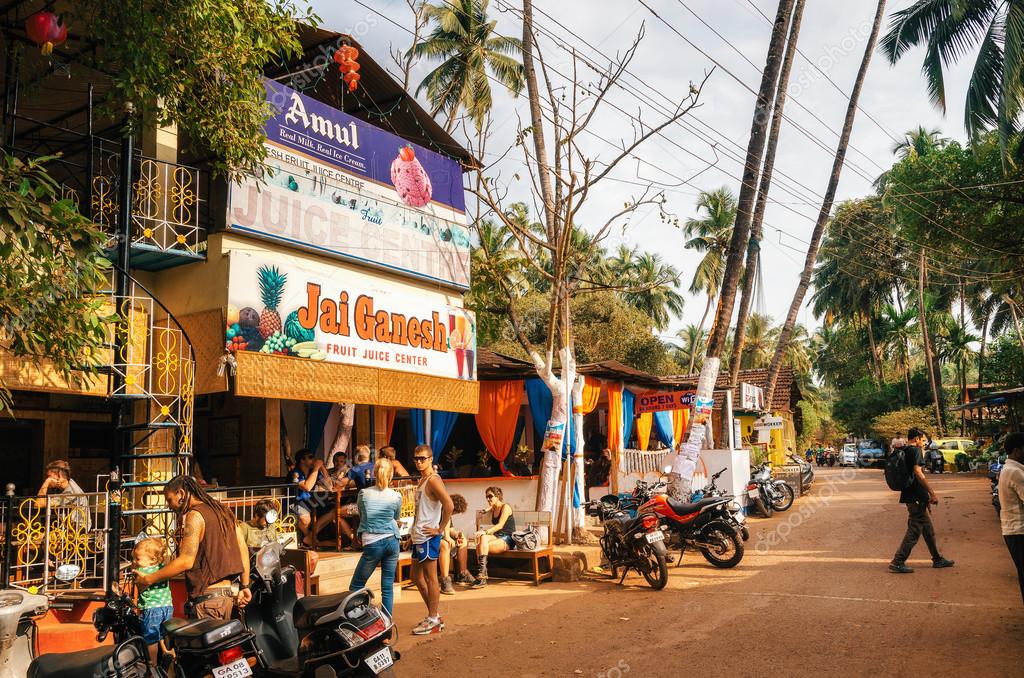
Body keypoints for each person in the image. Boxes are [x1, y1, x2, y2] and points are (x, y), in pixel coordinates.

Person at [135, 475, 251, 620]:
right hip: (225, 598)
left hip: (207, 602)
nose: (169, 506)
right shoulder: (223, 511)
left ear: (181, 494)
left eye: (170, 500)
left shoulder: (194, 516)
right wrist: (245, 586)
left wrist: (148, 579)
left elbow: (186, 561)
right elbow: (243, 548)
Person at [889, 427, 955, 574]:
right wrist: (932, 493)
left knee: (928, 530)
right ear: (917, 438)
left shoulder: (904, 450)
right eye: (923, 440)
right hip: (915, 496)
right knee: (914, 530)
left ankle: (937, 559)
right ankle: (898, 561)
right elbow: (918, 472)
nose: (924, 443)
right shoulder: (915, 451)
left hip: (912, 495)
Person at [348, 458, 403, 616]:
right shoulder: (396, 496)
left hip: (372, 542)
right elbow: (396, 517)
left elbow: (363, 517)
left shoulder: (364, 493)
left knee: (356, 586)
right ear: (391, 475)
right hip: (392, 540)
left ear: (374, 473)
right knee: (387, 588)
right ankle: (387, 628)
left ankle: (357, 620)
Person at [409, 444, 453, 635]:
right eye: (416, 458)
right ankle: (433, 615)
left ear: (430, 459)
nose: (419, 462)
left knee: (431, 578)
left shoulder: (434, 480)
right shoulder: (422, 480)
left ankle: (433, 618)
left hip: (428, 537)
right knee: (416, 577)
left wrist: (440, 529)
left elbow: (449, 505)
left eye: (423, 458)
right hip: (418, 535)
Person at [288, 449, 340, 548]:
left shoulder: (314, 472)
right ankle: (311, 539)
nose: (314, 459)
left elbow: (329, 486)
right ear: (302, 460)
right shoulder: (295, 473)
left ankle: (310, 539)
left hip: (311, 502)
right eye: (311, 457)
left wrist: (322, 468)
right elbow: (307, 487)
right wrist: (316, 468)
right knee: (305, 518)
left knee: (332, 512)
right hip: (295, 502)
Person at [132, 538, 173, 661]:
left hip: (152, 609)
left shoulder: (142, 571)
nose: (135, 561)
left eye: (137, 559)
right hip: (168, 607)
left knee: (151, 639)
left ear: (152, 560)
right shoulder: (163, 568)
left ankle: (153, 665)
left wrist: (134, 569)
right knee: (166, 636)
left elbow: (139, 584)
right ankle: (171, 659)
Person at [997, 432, 1024, 605]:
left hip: (1013, 530)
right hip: (1019, 530)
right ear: (1017, 451)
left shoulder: (1009, 469)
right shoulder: (1015, 472)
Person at [471, 486, 516, 589]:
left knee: (480, 546)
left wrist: (485, 531)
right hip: (497, 537)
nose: (488, 499)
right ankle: (482, 575)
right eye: (486, 497)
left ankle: (482, 577)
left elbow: (500, 525)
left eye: (490, 496)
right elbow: (491, 507)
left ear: (498, 496)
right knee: (482, 540)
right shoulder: (494, 507)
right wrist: (485, 510)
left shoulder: (506, 507)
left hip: (508, 538)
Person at [34, 460, 91, 529]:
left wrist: (47, 482)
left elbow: (38, 504)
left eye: (49, 476)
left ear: (59, 476)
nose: (47, 478)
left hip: (77, 530)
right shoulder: (70, 483)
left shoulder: (70, 493)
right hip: (71, 527)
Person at [439, 494, 472, 595]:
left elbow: (451, 530)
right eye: (456, 512)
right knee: (446, 544)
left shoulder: (448, 513)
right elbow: (445, 534)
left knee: (463, 541)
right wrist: (447, 537)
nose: (454, 514)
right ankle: (445, 580)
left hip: (441, 536)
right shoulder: (441, 509)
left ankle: (462, 574)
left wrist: (458, 535)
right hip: (433, 536)